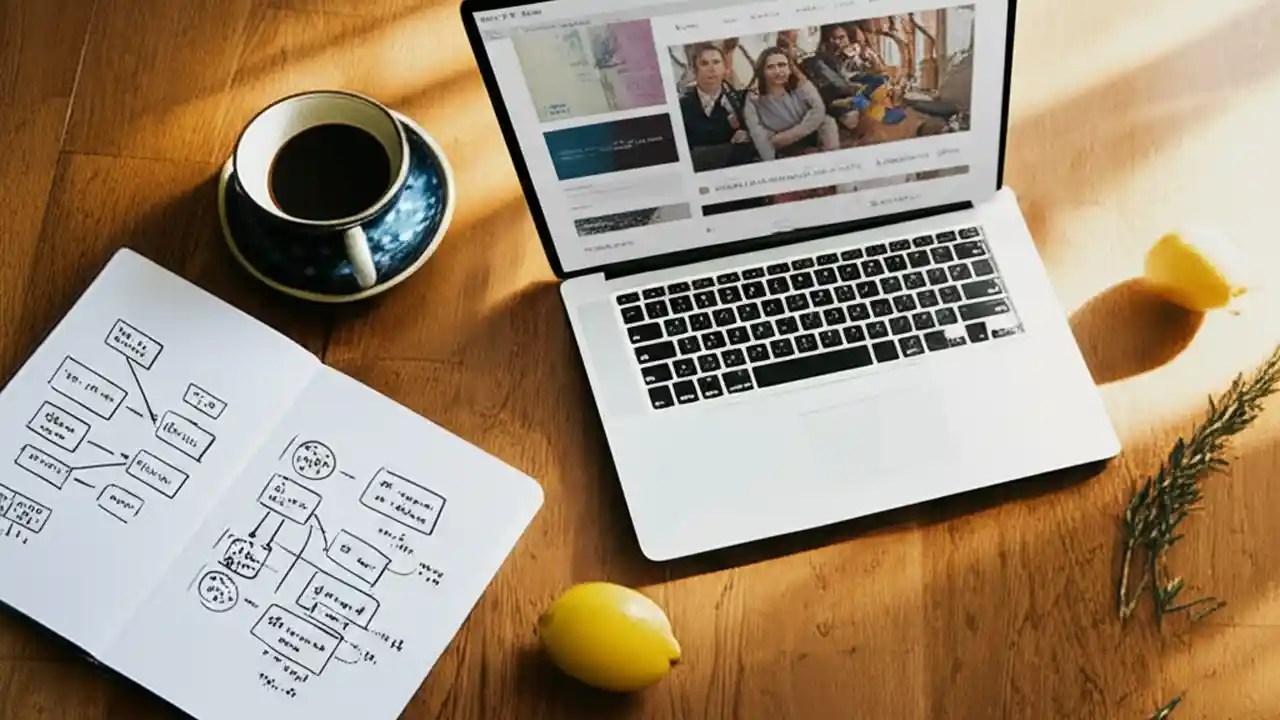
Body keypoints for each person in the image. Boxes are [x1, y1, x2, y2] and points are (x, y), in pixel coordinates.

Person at [744, 47, 839, 161]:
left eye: (782, 65)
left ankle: (832, 161)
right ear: (762, 71)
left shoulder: (801, 83)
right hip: (781, 144)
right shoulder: (753, 98)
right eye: (770, 67)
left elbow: (819, 109)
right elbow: (758, 133)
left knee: (828, 121)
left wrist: (789, 135)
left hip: (807, 132)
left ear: (789, 68)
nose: (778, 71)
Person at [678, 44, 757, 172]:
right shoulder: (682, 106)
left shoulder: (740, 102)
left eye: (716, 62)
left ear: (726, 68)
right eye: (704, 63)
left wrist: (746, 136)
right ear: (694, 70)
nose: (712, 68)